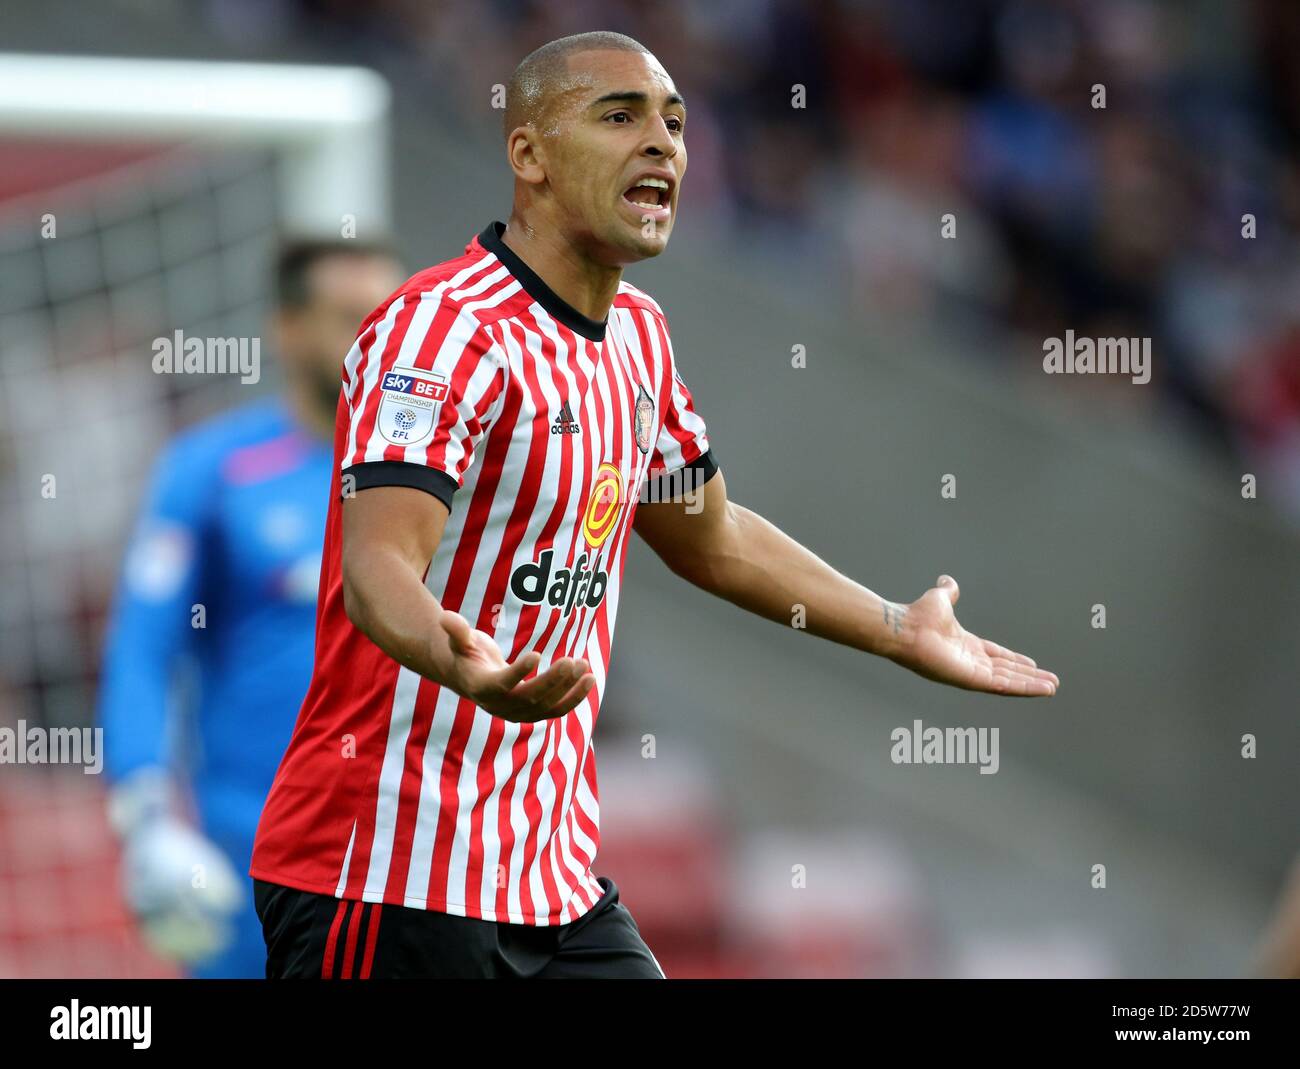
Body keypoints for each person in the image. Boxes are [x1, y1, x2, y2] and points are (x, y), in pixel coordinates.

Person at [251, 31, 1058, 980]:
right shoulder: (441, 330)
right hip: (386, 869)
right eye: (620, 115)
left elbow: (707, 534)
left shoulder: (638, 337)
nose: (663, 143)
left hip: (548, 877)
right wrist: (455, 657)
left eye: (675, 121)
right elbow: (377, 567)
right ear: (529, 155)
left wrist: (895, 627)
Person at [99, 238, 404, 978]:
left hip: (406, 852)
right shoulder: (214, 470)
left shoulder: (437, 479)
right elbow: (142, 646)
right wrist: (146, 817)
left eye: (388, 320)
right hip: (252, 850)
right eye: (348, 318)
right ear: (288, 327)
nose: (374, 341)